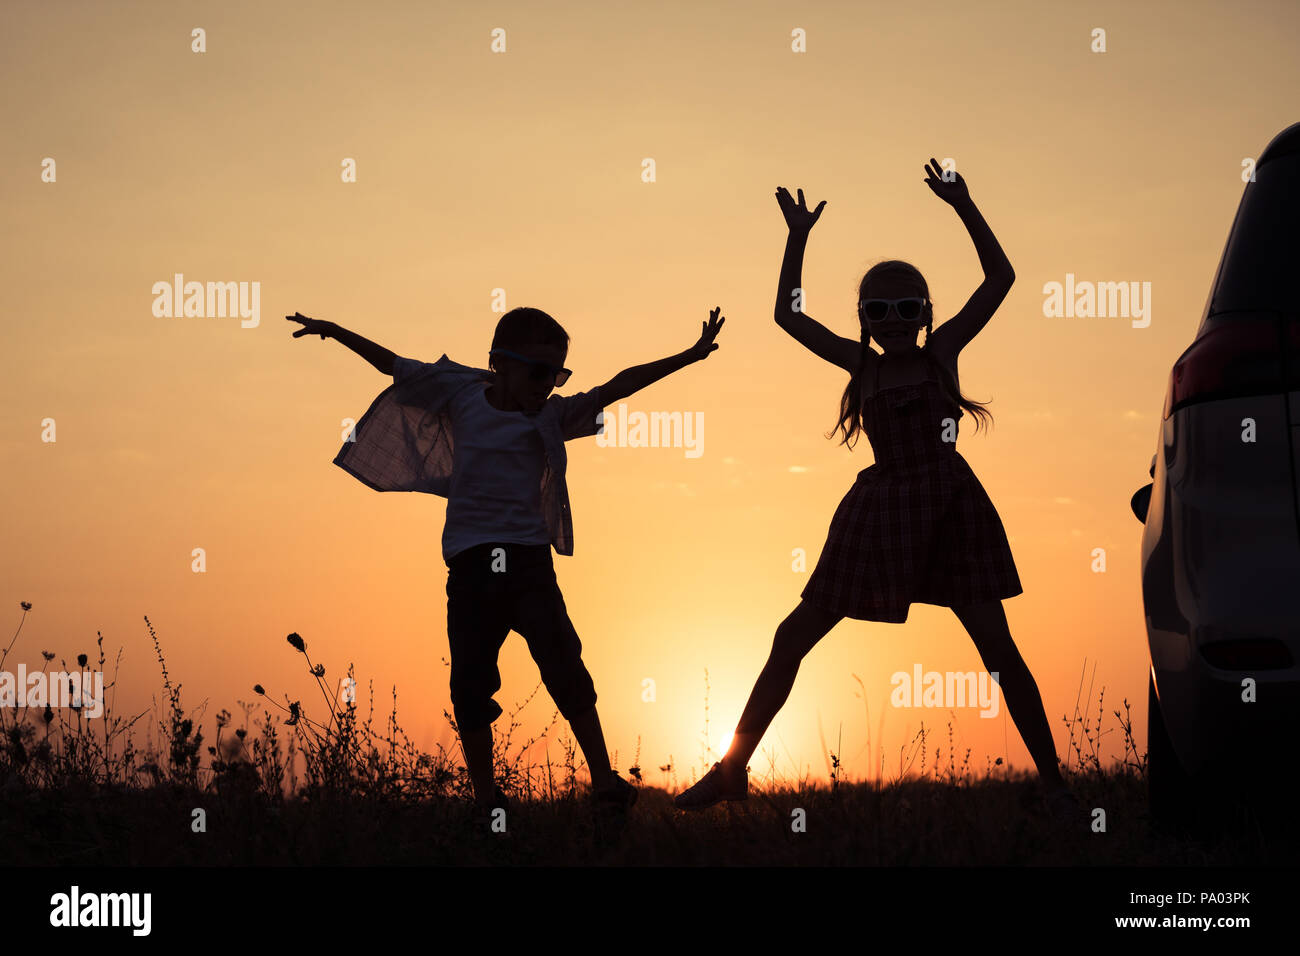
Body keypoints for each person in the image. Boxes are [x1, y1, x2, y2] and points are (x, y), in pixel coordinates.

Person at [674, 162, 1080, 824]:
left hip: (950, 508)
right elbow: (786, 314)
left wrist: (965, 205)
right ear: (864, 317)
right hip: (881, 512)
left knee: (999, 649)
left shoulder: (942, 354)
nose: (894, 320)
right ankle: (731, 770)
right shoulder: (858, 365)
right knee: (792, 636)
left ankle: (1057, 785)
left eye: (908, 308)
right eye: (879, 310)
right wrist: (797, 235)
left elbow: (1000, 280)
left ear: (925, 314)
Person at [288, 304, 725, 817]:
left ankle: (605, 782)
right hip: (471, 570)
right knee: (470, 686)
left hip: (528, 566)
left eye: (558, 373)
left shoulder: (551, 416)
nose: (549, 384)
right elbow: (395, 365)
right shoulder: (462, 395)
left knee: (565, 666)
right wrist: (336, 331)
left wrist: (689, 356)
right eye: (540, 372)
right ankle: (486, 802)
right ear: (500, 363)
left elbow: (617, 387)